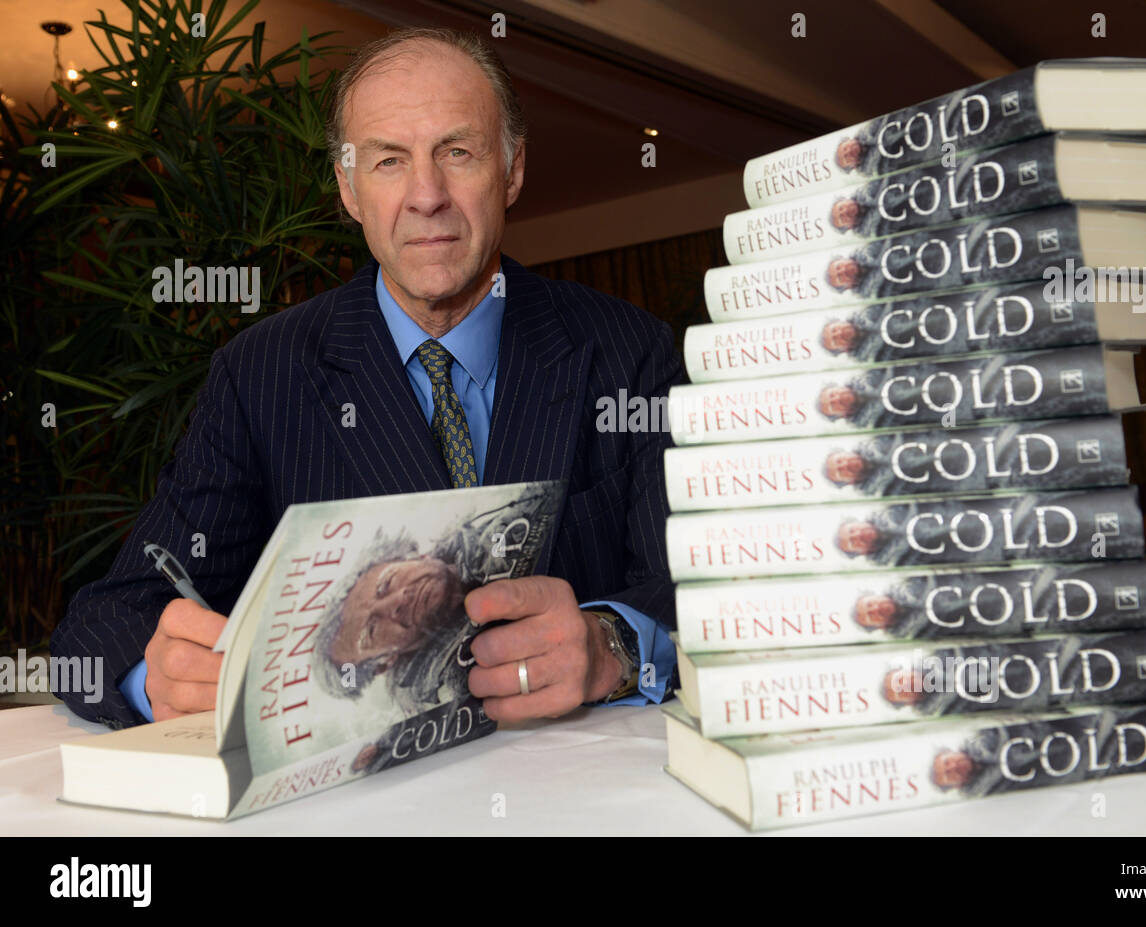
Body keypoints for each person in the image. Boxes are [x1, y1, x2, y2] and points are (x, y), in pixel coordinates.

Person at [50, 27, 681, 729]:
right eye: (388, 161)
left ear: (512, 169)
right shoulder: (260, 375)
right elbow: (108, 615)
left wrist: (613, 645)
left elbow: (707, 590)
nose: (427, 195)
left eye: (458, 152)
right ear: (349, 189)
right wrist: (152, 677)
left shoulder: (632, 354)